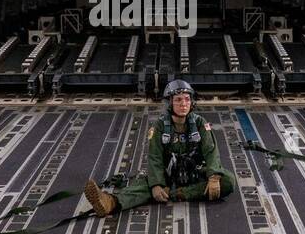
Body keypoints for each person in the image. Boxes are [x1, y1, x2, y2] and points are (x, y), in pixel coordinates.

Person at [84, 79, 235, 215]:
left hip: (193, 172)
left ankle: (179, 193)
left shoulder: (200, 123)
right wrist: (156, 184)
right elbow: (155, 157)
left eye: (187, 99)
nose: (184, 104)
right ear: (170, 103)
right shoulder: (160, 126)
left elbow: (211, 151)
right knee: (145, 186)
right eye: (178, 100)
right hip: (168, 174)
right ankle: (111, 202)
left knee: (228, 180)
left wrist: (214, 177)